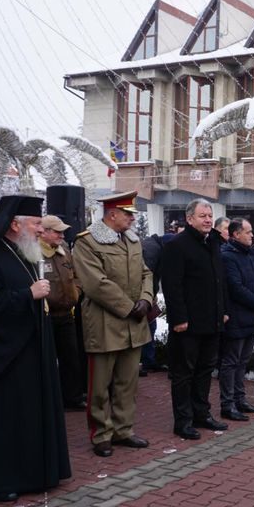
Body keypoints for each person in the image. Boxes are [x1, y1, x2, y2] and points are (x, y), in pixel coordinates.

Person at [0, 195, 71, 502]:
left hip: (31, 352)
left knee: (27, 417)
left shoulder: (25, 254)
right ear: (15, 225)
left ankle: (35, 473)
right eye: (35, 223)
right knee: (4, 421)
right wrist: (27, 295)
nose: (39, 229)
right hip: (2, 357)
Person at [71, 193, 154, 457]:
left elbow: (146, 273)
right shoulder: (87, 242)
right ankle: (101, 434)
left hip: (134, 323)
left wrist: (146, 299)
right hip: (105, 322)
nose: (132, 218)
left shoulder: (132, 239)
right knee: (99, 386)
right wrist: (130, 307)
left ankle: (123, 430)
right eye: (127, 213)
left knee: (127, 383)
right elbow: (95, 283)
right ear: (111, 214)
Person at [161, 199, 229, 439]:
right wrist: (179, 318)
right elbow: (172, 285)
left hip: (211, 321)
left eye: (210, 215)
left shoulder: (212, 243)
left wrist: (224, 310)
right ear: (189, 218)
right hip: (187, 324)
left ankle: (202, 414)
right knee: (183, 373)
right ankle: (183, 420)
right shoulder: (177, 245)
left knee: (204, 370)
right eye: (203, 216)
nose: (208, 220)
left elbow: (219, 280)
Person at [218, 218, 254, 421]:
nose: (252, 235)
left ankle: (240, 400)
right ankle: (227, 404)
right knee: (230, 362)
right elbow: (236, 288)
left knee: (243, 361)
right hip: (237, 317)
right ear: (236, 234)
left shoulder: (249, 254)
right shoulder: (228, 256)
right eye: (247, 232)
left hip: (250, 318)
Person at [39, 215, 85, 411]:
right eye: (57, 231)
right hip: (45, 317)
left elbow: (76, 275)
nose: (61, 234)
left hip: (67, 314)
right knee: (46, 361)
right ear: (45, 232)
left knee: (70, 359)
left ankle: (72, 398)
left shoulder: (64, 250)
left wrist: (77, 291)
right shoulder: (34, 252)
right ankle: (48, 399)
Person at [139, 229, 167, 376]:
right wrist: (150, 295)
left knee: (150, 326)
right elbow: (148, 276)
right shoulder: (152, 250)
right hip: (143, 297)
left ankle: (148, 360)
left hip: (146, 295)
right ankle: (146, 362)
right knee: (148, 327)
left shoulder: (153, 246)